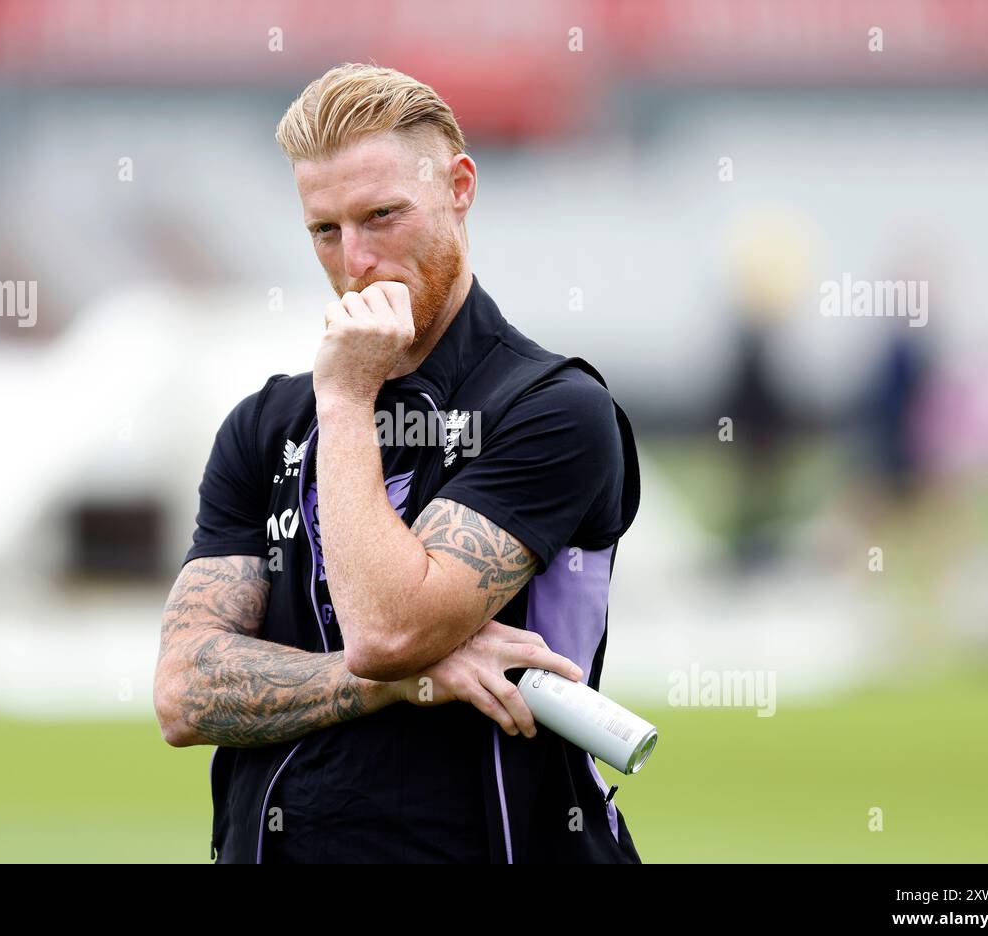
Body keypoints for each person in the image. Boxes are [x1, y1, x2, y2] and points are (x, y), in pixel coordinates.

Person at [154, 63, 641, 863]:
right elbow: (184, 691)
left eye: (382, 216)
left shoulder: (552, 407)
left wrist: (348, 398)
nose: (356, 262)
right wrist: (400, 681)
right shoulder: (264, 425)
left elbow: (387, 629)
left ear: (459, 187)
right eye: (325, 230)